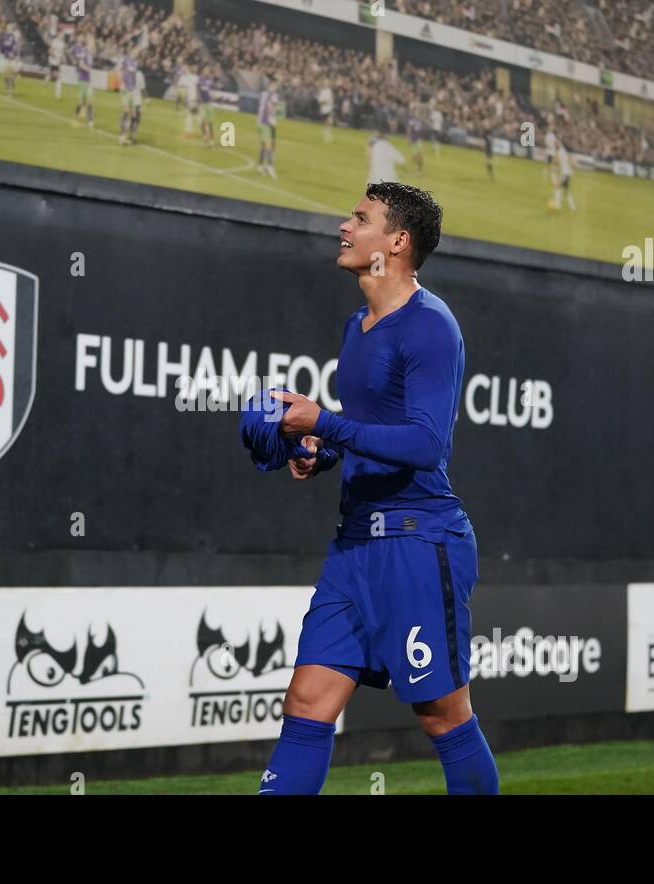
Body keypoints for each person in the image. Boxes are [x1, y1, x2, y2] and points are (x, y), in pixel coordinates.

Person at [257, 182, 498, 796]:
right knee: (308, 701)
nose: (345, 225)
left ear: (397, 241)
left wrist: (325, 423)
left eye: (360, 218)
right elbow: (374, 427)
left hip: (419, 543)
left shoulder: (430, 326)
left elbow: (425, 445)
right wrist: (324, 451)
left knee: (443, 715)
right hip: (354, 546)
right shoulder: (356, 326)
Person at [256, 79, 278, 179]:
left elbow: (263, 106)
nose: (276, 88)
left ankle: (260, 165)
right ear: (271, 85)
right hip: (266, 122)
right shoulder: (272, 95)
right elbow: (270, 107)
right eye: (275, 86)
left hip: (260, 122)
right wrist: (273, 119)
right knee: (269, 146)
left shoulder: (263, 94)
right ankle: (270, 167)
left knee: (263, 145)